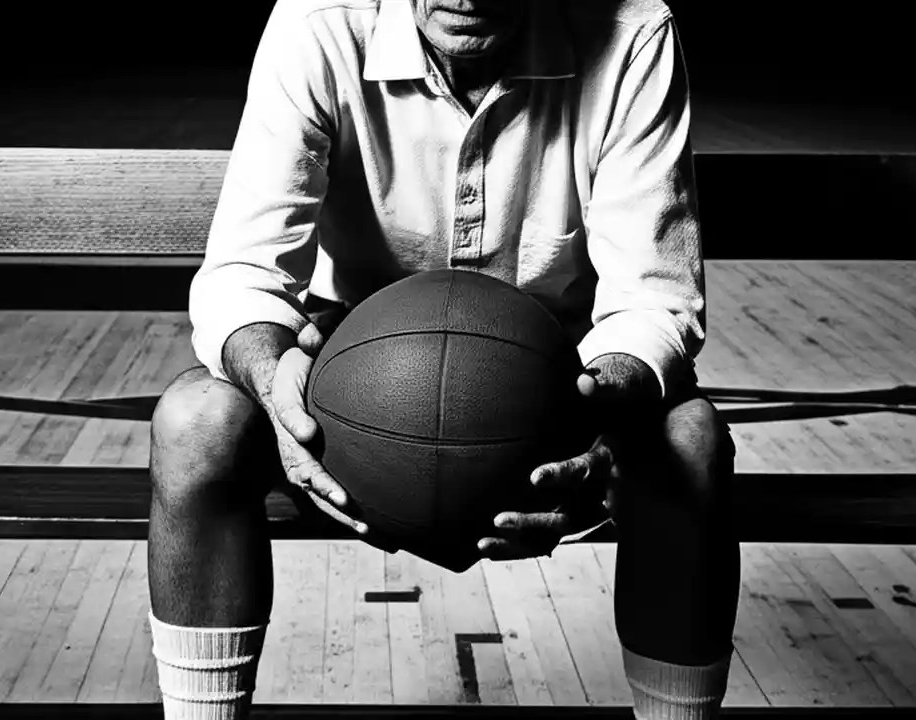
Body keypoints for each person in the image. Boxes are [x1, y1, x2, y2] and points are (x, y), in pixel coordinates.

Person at [147, 0, 740, 718]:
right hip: (351, 385)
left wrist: (595, 408)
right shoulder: (317, 24)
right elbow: (243, 273)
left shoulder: (632, 32)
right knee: (195, 420)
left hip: (562, 391)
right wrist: (277, 383)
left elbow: (655, 299)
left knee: (690, 441)